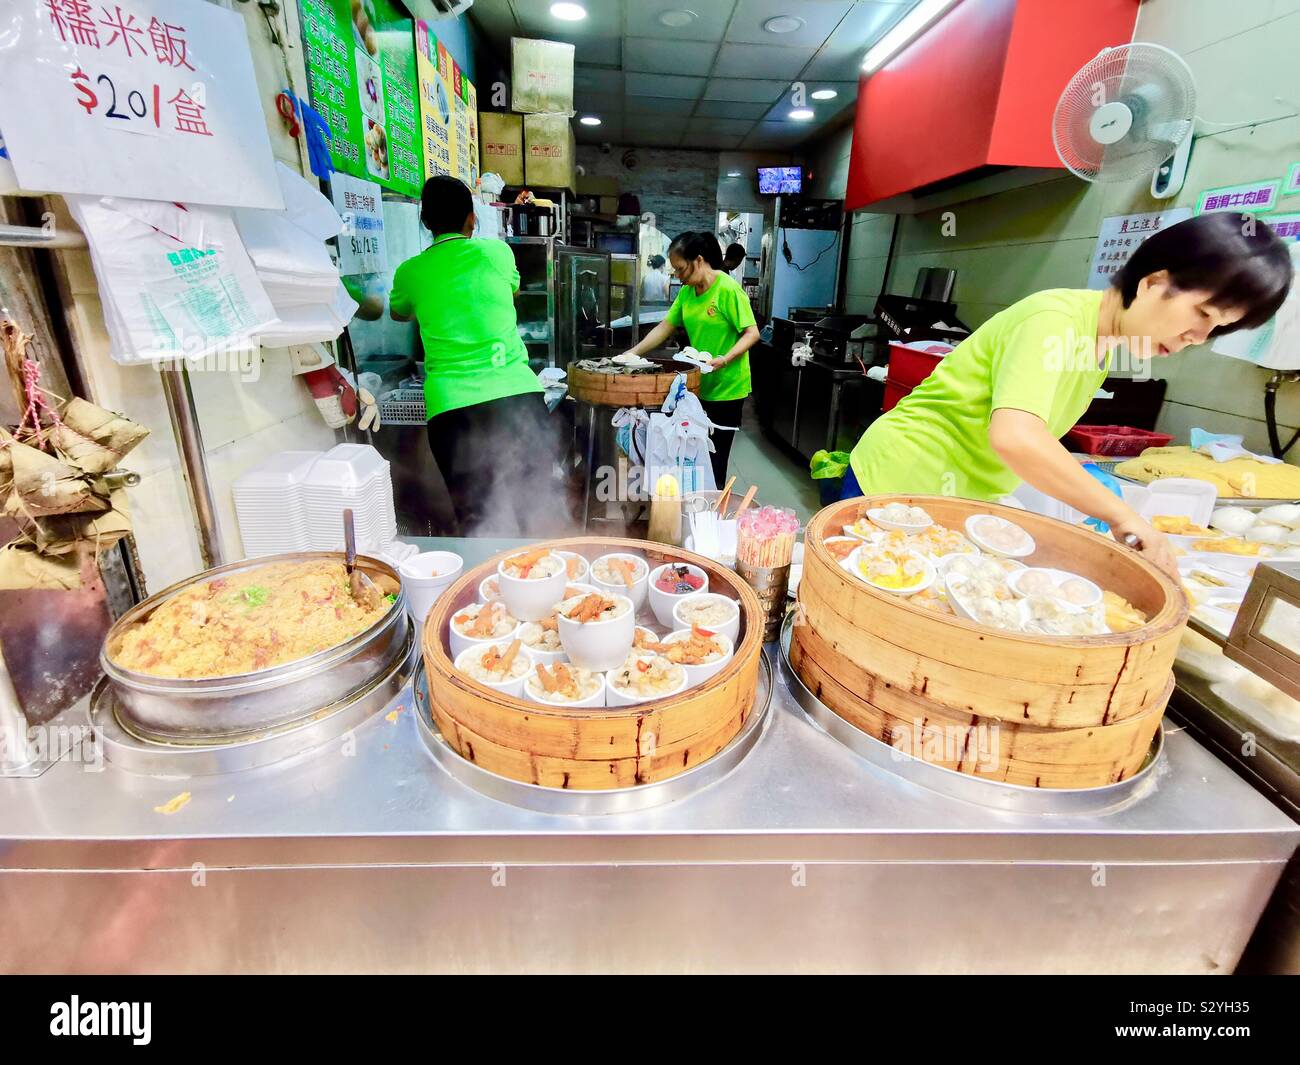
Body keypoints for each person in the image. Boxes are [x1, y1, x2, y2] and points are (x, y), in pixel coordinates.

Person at [843, 212, 1293, 577]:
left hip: (956, 497)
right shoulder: (1055, 321)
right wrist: (1122, 515)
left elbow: (1033, 434)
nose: (1198, 337)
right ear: (1154, 282)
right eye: (1203, 313)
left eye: (1217, 328)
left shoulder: (1099, 344)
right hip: (902, 482)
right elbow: (1016, 436)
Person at [390, 175, 562, 537]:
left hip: (453, 409)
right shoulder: (497, 253)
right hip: (515, 396)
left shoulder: (410, 272)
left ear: (425, 221)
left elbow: (398, 313)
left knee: (475, 518)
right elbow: (512, 290)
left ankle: (488, 571)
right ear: (472, 217)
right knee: (534, 508)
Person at [621, 230, 760, 486]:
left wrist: (724, 359)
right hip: (698, 386)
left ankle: (710, 506)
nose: (677, 275)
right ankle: (691, 503)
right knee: (692, 456)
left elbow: (752, 333)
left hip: (728, 388)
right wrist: (631, 354)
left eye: (680, 269)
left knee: (715, 461)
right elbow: (666, 326)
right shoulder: (687, 293)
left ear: (698, 260)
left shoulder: (727, 289)